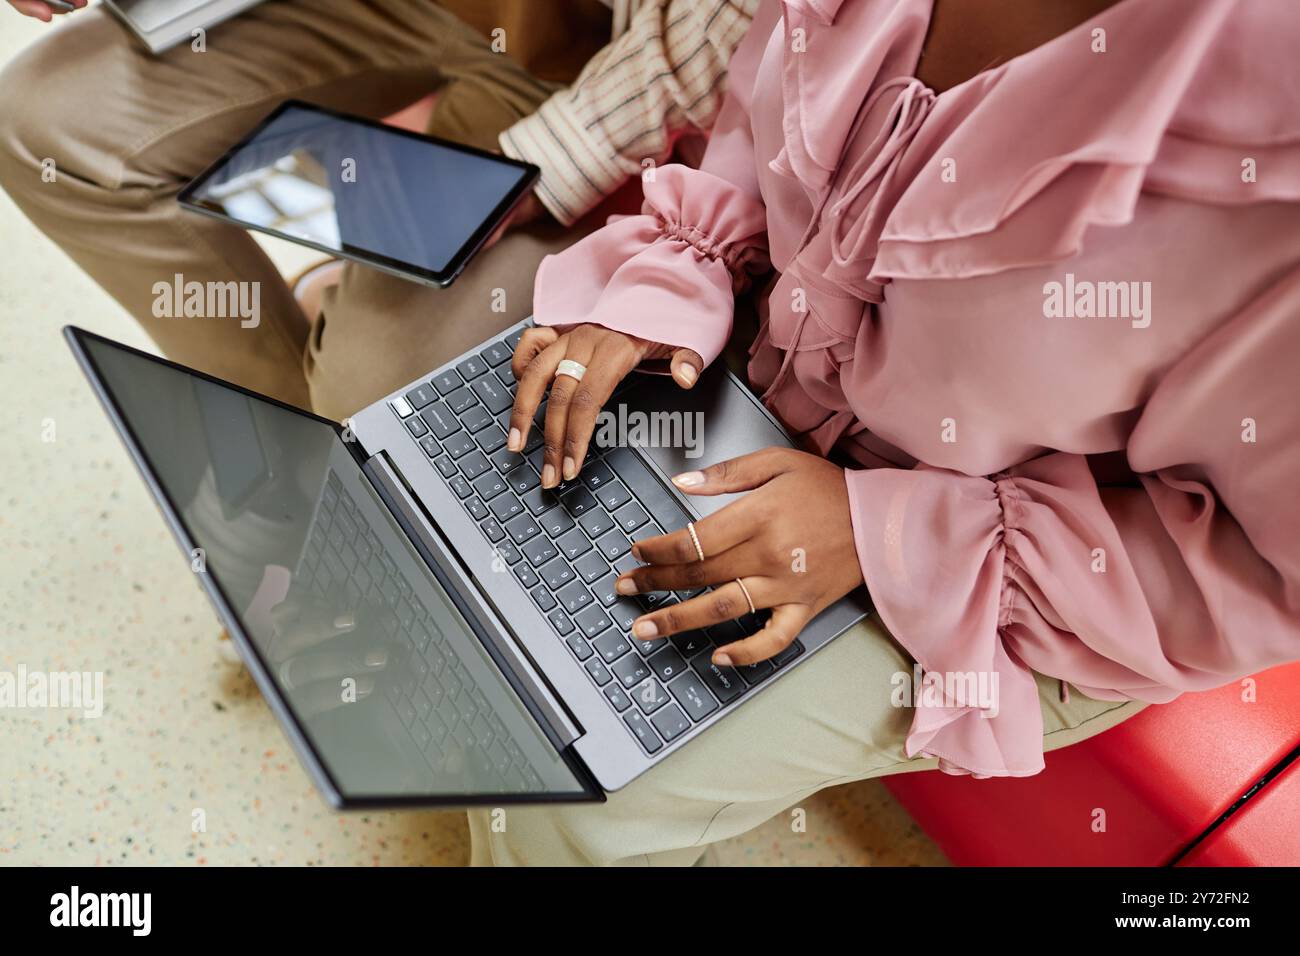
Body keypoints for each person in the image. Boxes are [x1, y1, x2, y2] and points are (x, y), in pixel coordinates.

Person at [469, 0, 1300, 864]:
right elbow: (755, 129)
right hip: (764, 380)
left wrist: (886, 535)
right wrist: (668, 286)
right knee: (494, 502)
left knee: (590, 778)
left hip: (1050, 580)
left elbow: (1262, 582)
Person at [0, 0, 759, 419]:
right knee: (47, 120)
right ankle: (289, 486)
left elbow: (718, 29)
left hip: (587, 51)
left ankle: (332, 466)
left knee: (373, 393)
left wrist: (526, 176)